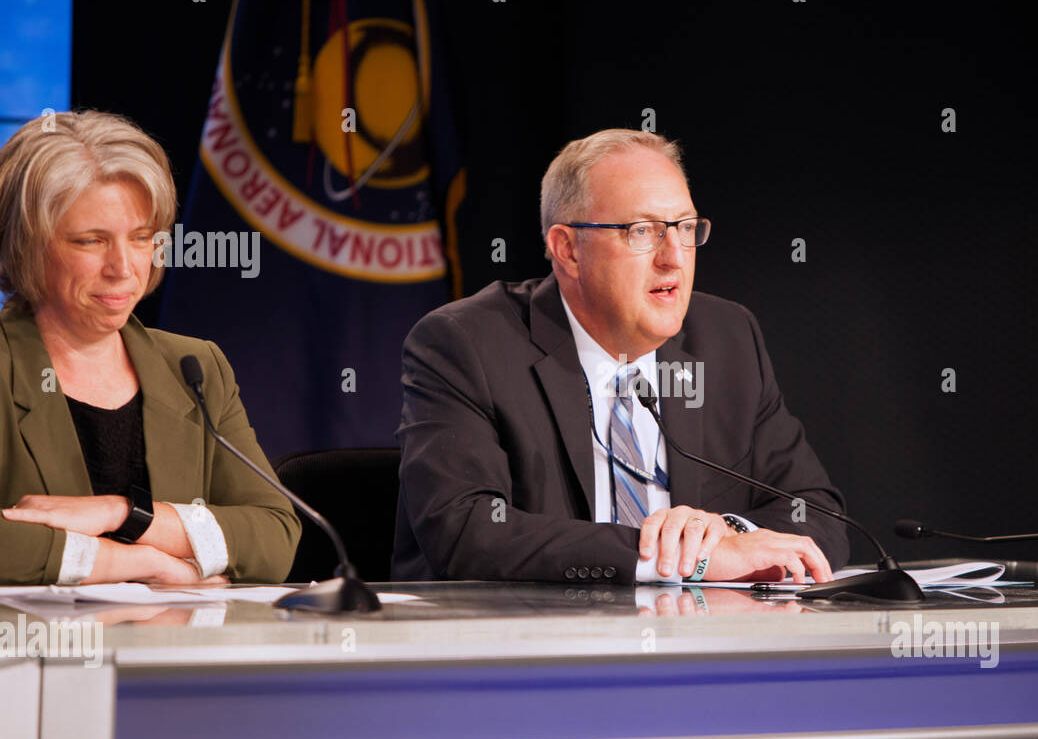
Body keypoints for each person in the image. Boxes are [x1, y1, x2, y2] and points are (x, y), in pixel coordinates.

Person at [393, 128, 849, 587]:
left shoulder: (727, 338)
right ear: (568, 250)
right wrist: (675, 558)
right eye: (643, 231)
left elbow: (818, 513)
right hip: (530, 645)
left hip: (697, 643)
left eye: (686, 229)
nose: (674, 258)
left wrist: (726, 535)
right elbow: (466, 530)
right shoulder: (466, 344)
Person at [0, 110, 300, 585]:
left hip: (170, 652)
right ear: (25, 246)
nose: (123, 267)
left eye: (141, 238)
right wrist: (141, 562)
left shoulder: (195, 365)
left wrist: (123, 514)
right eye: (91, 241)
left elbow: (274, 535)